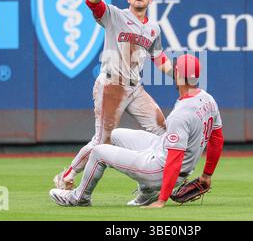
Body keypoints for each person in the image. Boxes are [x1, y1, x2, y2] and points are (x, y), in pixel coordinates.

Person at [49, 54, 225, 207]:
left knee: (98, 152)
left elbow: (174, 158)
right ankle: (148, 193)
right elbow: (217, 140)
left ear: (178, 74)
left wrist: (162, 199)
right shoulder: (208, 99)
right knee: (115, 135)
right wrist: (206, 175)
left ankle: (80, 197)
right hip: (163, 153)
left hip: (159, 170)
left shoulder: (180, 114)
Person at [52, 0, 174, 189]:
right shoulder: (115, 15)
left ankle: (153, 180)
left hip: (135, 87)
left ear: (150, 1)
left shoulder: (154, 28)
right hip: (111, 85)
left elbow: (159, 58)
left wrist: (178, 75)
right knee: (102, 140)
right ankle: (68, 174)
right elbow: (91, 2)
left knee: (162, 131)